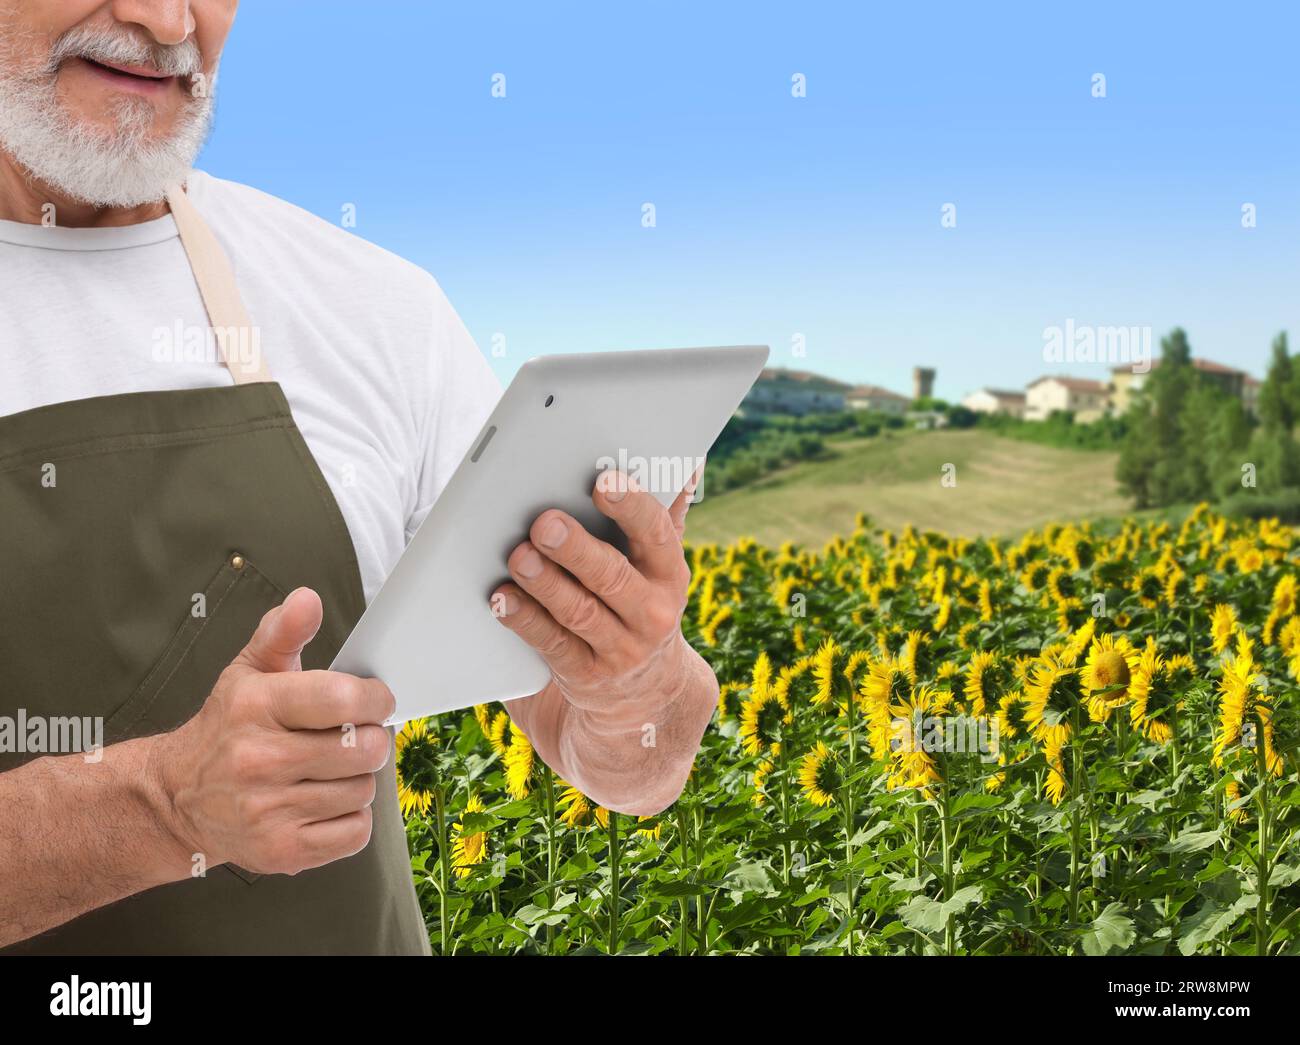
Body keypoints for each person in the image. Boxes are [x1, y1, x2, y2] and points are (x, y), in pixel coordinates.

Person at [0, 0, 719, 954]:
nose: (164, 19)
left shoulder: (374, 308)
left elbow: (622, 762)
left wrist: (636, 688)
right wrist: (164, 806)